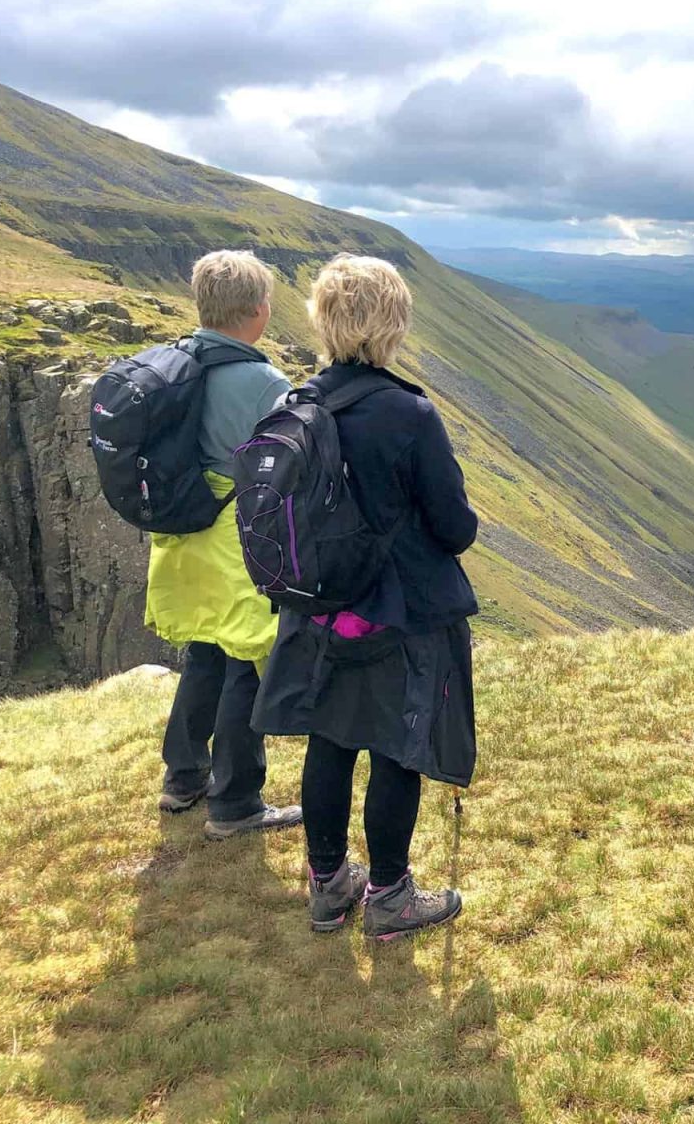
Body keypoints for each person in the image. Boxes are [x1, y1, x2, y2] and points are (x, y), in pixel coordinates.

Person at [252, 254, 479, 940]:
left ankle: (327, 886)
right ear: (393, 324)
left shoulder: (298, 404)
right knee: (394, 748)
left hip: (316, 607)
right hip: (395, 613)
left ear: (323, 320)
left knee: (329, 740)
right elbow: (455, 527)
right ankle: (390, 896)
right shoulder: (408, 413)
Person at [148, 250, 303, 839]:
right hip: (237, 540)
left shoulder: (173, 367)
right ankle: (236, 804)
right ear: (260, 310)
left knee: (207, 655)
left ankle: (183, 777)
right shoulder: (264, 383)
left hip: (181, 537)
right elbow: (288, 468)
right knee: (247, 663)